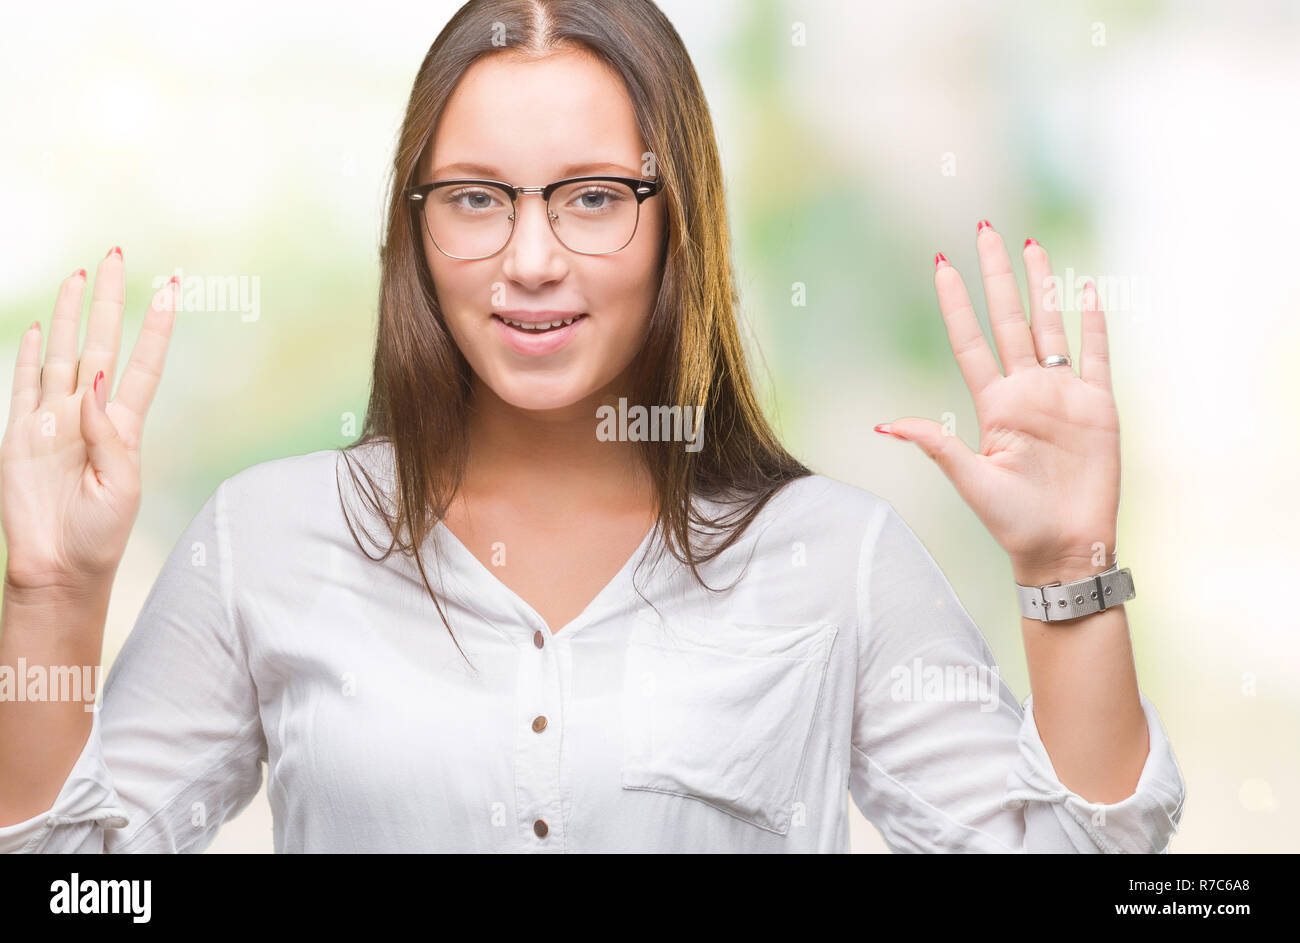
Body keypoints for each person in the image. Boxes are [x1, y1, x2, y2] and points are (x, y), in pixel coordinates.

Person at [0, 0, 1184, 853]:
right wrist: (47, 590)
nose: (528, 259)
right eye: (474, 197)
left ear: (680, 224)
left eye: (592, 198)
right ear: (413, 226)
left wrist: (1065, 569)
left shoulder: (837, 557)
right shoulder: (263, 536)